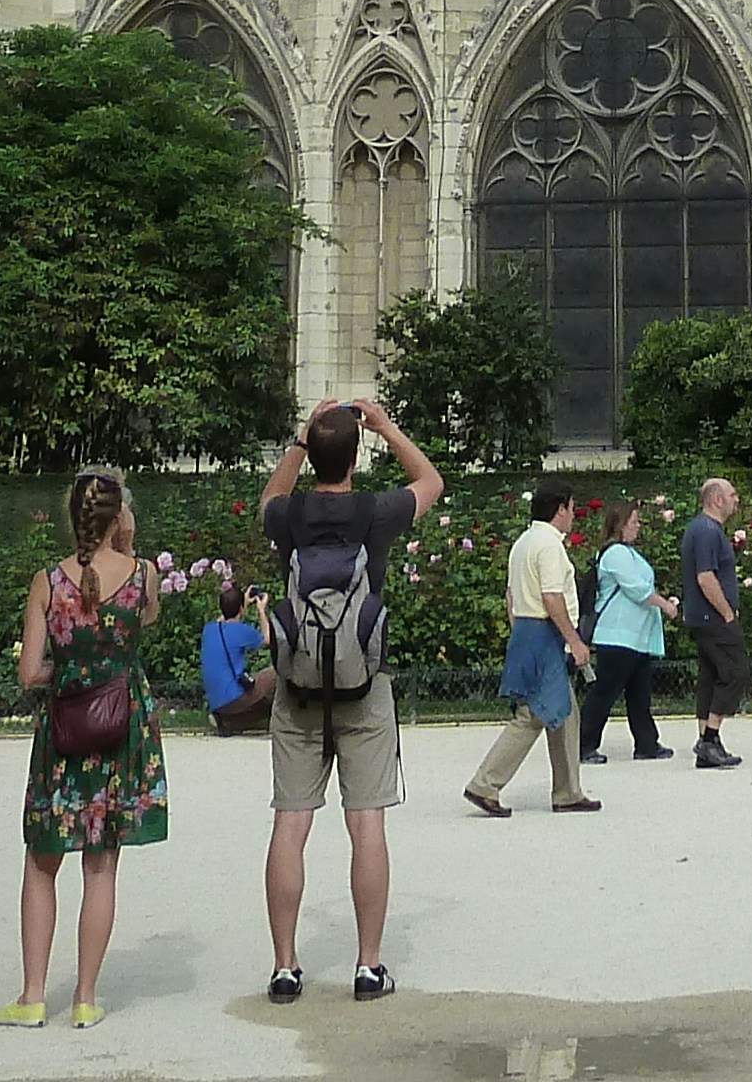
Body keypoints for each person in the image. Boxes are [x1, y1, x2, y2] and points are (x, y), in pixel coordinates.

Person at [258, 394, 444, 1006]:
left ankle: (286, 968)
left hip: (298, 687)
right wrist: (388, 424)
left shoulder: (290, 517)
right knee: (367, 826)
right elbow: (431, 480)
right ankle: (367, 967)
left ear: (312, 454)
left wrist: (299, 436)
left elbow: (267, 502)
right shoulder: (377, 512)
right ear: (356, 456)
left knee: (291, 824)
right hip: (364, 685)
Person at [0, 470, 166, 1031]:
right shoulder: (143, 576)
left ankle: (33, 995)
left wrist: (69, 671)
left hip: (65, 733)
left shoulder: (48, 582)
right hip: (122, 731)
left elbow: (28, 673)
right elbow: (146, 622)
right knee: (101, 865)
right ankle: (87, 998)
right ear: (119, 517)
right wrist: (129, 546)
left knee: (42, 861)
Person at [463, 480, 602, 819]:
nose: (574, 515)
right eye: (571, 508)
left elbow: (512, 596)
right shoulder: (550, 547)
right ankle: (485, 784)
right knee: (533, 714)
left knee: (564, 712)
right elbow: (552, 597)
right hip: (545, 632)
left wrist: (521, 632)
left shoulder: (524, 543)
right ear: (560, 509)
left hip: (527, 630)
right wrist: (574, 641)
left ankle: (568, 791)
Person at [578, 504, 677, 764]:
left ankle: (646, 743)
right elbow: (636, 588)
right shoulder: (616, 554)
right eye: (634, 522)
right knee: (605, 692)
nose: (638, 526)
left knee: (639, 693)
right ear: (621, 525)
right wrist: (665, 605)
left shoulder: (629, 553)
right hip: (617, 635)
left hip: (635, 637)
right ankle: (583, 744)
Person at [682, 476, 749, 767]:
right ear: (717, 499)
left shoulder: (702, 530)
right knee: (735, 671)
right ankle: (709, 737)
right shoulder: (708, 531)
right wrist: (727, 613)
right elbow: (705, 576)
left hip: (701, 616)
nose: (737, 500)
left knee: (711, 675)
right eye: (732, 495)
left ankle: (707, 743)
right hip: (713, 616)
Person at [202, 576, 277, 734]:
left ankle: (229, 723)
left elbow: (225, 619)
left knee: (265, 706)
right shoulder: (242, 631)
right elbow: (268, 639)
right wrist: (261, 610)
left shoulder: (209, 629)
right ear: (241, 609)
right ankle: (285, 718)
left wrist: (241, 604)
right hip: (235, 697)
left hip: (217, 702)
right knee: (277, 671)